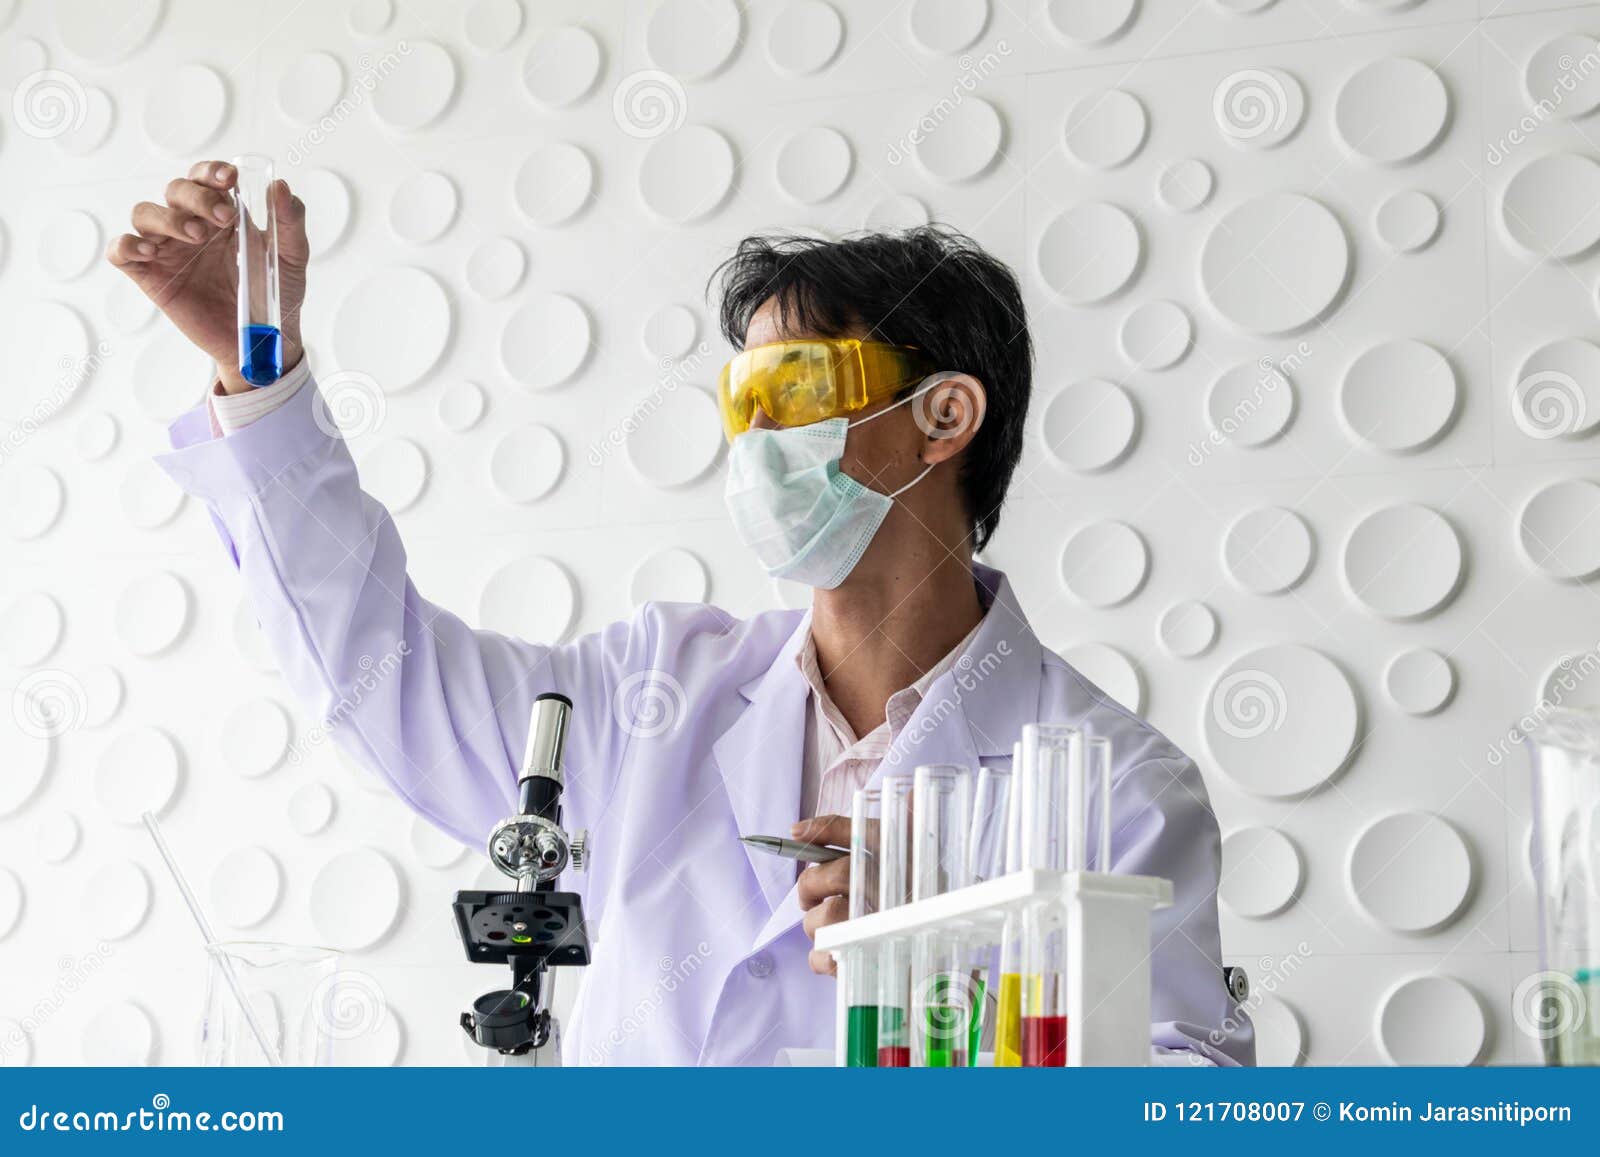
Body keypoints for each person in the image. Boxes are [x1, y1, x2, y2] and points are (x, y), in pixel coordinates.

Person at [108, 160, 1253, 1067]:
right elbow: (376, 674)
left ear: (944, 416)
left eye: (798, 389)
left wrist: (952, 985)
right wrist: (260, 375)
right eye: (741, 400)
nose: (759, 440)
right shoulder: (649, 691)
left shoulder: (1114, 786)